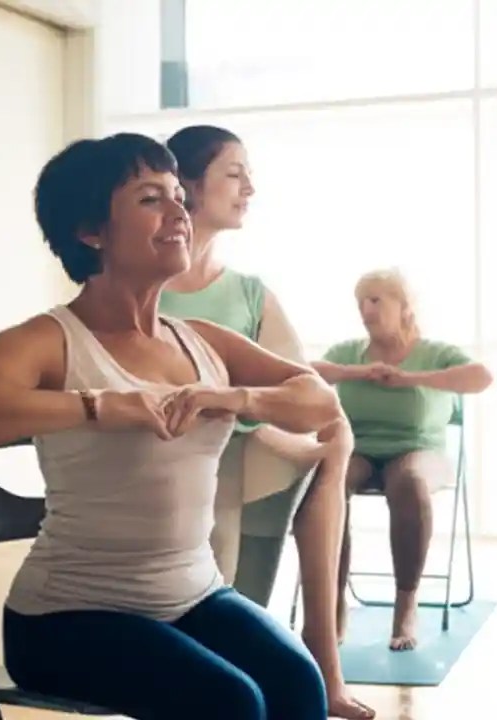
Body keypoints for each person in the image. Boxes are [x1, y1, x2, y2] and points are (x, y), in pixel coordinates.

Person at [0, 133, 341, 719]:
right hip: (66, 618)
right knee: (230, 704)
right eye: (150, 198)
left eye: (178, 195)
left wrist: (233, 397)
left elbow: (318, 402)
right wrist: (101, 406)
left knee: (297, 685)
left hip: (193, 596)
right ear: (92, 231)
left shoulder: (201, 341)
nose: (179, 210)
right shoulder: (57, 339)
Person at [159, 124, 373, 719]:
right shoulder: (138, 286)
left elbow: (305, 391)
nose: (250, 187)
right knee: (314, 444)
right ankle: (283, 657)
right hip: (172, 457)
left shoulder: (250, 292)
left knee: (336, 436)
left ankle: (324, 661)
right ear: (188, 186)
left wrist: (235, 400)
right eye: (234, 172)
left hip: (244, 441)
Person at [312, 268, 493, 651]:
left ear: (405, 306)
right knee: (330, 478)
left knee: (407, 483)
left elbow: (481, 377)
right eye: (361, 301)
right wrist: (356, 372)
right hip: (360, 449)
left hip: (421, 450)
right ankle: (332, 604)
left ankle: (406, 606)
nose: (366, 309)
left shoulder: (435, 352)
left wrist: (410, 379)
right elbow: (307, 373)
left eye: (376, 300)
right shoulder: (348, 351)